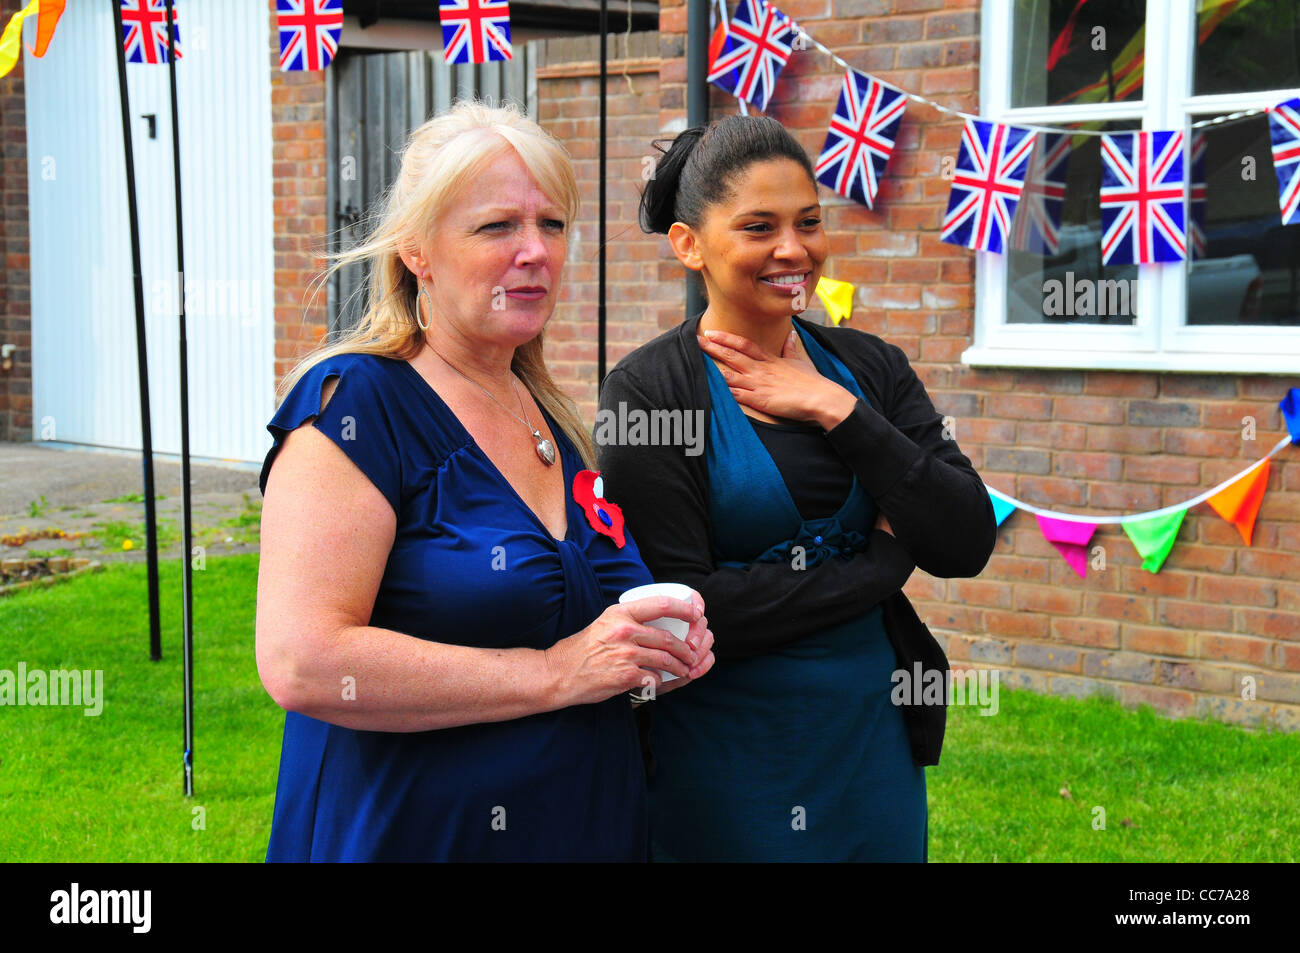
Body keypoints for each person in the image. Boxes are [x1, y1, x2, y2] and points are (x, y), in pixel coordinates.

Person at [255, 100, 714, 862]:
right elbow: (304, 661)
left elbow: (580, 642)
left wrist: (646, 660)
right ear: (416, 251)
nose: (535, 250)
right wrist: (550, 674)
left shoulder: (557, 422)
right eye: (497, 226)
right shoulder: (358, 405)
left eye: (553, 224)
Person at [596, 115, 996, 862]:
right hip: (728, 760)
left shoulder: (869, 369)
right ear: (689, 246)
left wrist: (836, 409)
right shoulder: (648, 395)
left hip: (871, 749)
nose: (794, 249)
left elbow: (966, 536)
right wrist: (878, 566)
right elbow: (687, 612)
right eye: (759, 226)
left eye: (809, 221)